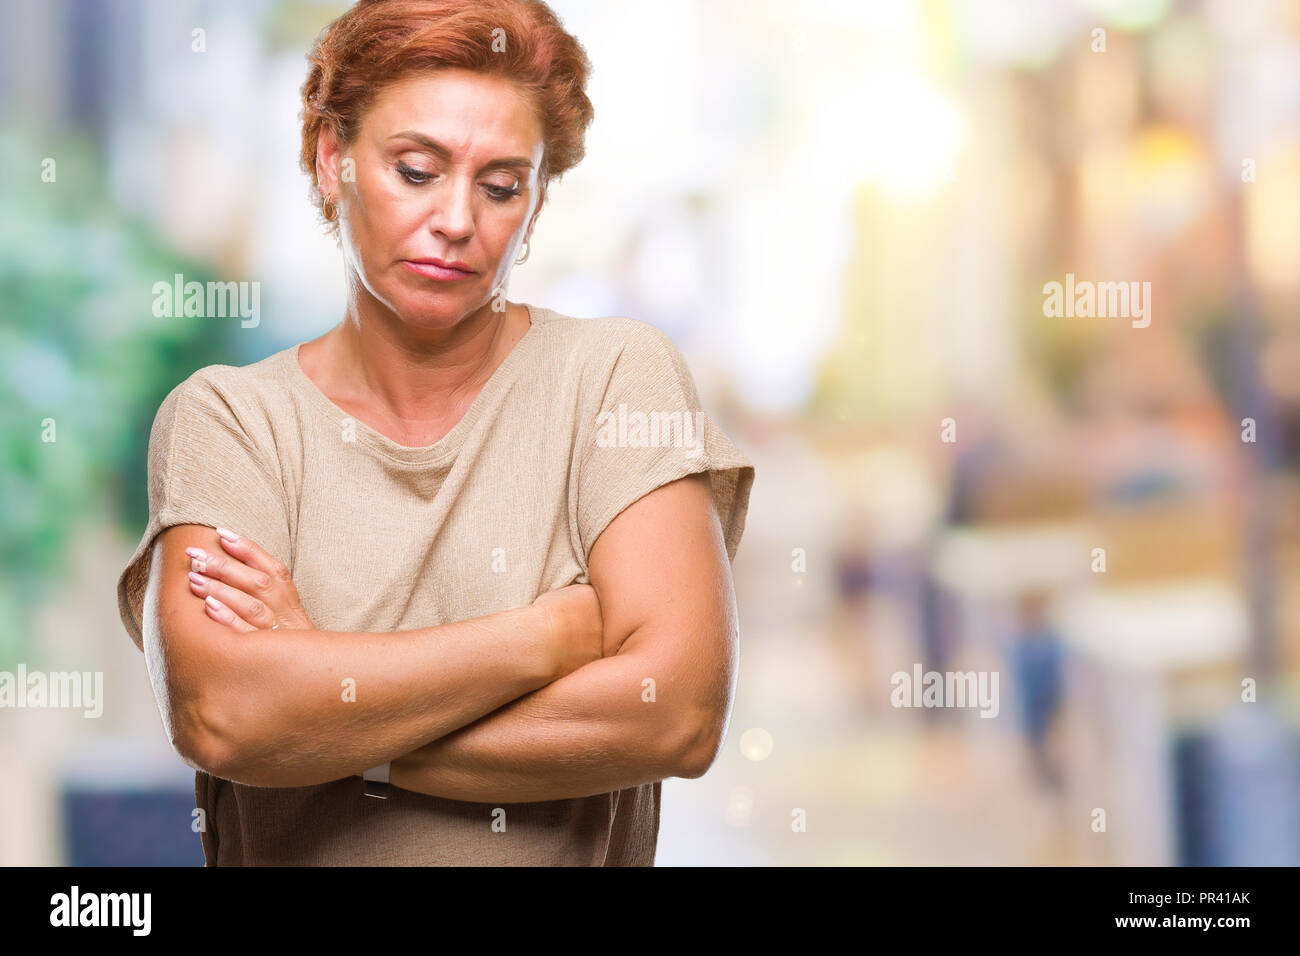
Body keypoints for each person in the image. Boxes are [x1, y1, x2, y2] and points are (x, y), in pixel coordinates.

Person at [115, 0, 754, 866]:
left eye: (501, 186)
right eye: (416, 170)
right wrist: (541, 640)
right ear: (330, 158)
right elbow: (224, 717)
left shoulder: (612, 382)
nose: (458, 220)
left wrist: (328, 719)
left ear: (534, 204)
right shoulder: (230, 422)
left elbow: (675, 715)